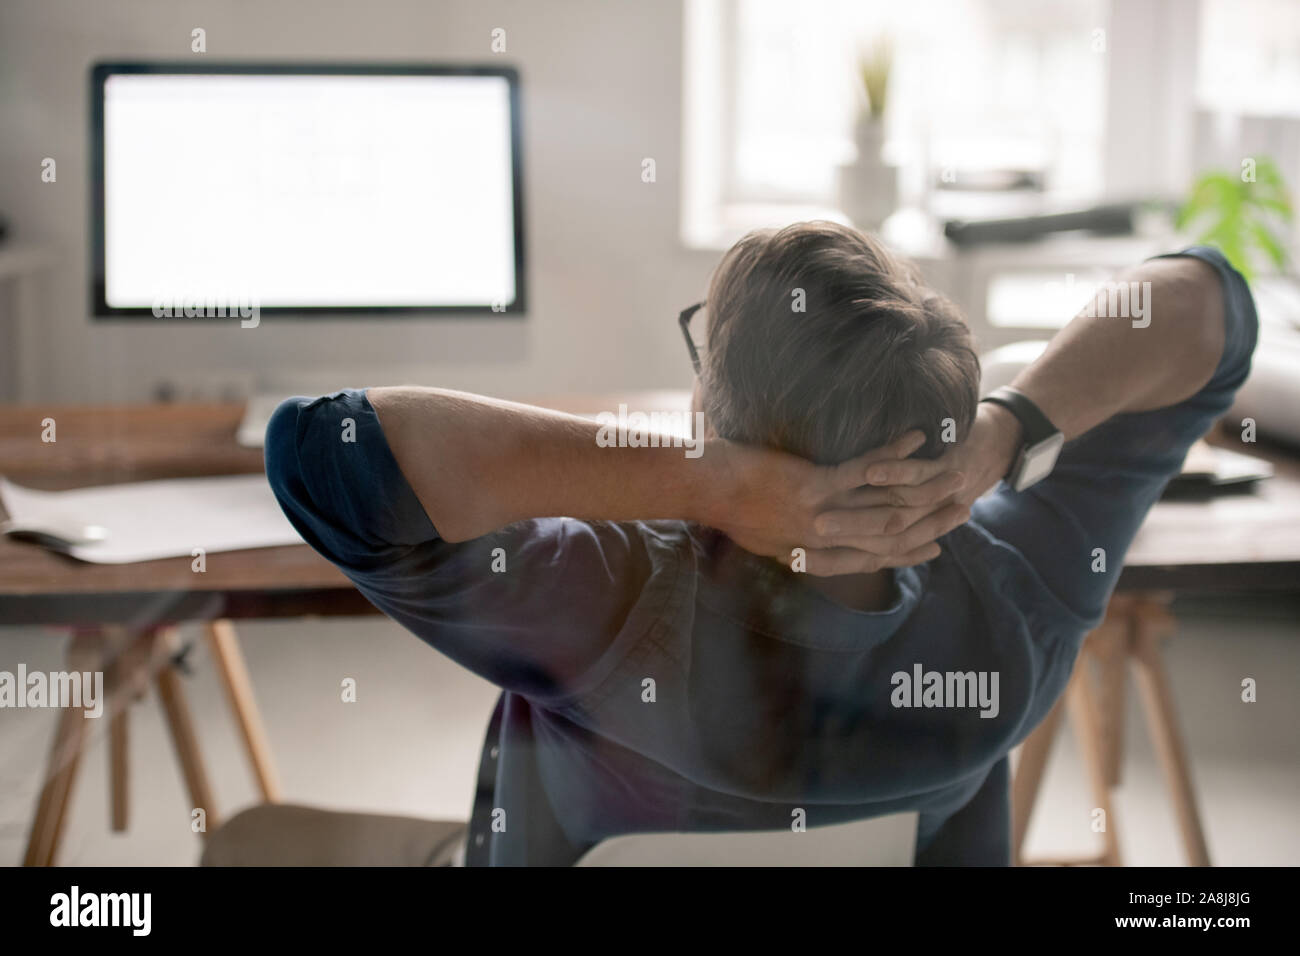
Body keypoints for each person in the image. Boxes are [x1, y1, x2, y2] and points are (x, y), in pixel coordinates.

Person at [265, 222, 1257, 864]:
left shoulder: (604, 595)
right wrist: (1013, 424)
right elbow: (1214, 305)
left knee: (255, 842)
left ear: (709, 411)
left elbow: (322, 450)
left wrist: (709, 482)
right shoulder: (1024, 596)